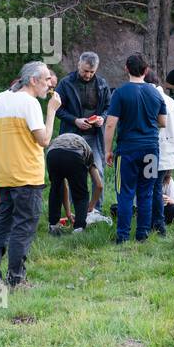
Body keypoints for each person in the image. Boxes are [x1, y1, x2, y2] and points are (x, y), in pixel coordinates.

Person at [0, 62, 60, 291]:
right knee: (23, 227)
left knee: (2, 224)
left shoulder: (1, 98)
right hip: (26, 174)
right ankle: (16, 279)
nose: (49, 85)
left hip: (3, 172)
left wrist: (10, 134)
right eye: (46, 80)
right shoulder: (31, 103)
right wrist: (52, 111)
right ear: (33, 80)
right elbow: (44, 140)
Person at [103, 54, 166, 244]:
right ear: (146, 70)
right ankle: (142, 234)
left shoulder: (120, 93)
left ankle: (122, 236)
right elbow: (162, 122)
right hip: (151, 149)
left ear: (126, 68)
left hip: (128, 150)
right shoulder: (156, 93)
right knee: (146, 192)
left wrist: (107, 150)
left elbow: (110, 125)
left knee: (125, 192)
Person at [53, 52, 112, 223]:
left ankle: (96, 210)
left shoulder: (102, 84)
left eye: (91, 72)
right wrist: (75, 120)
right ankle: (75, 211)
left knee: (98, 171)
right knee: (74, 174)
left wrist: (103, 117)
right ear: (79, 65)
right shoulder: (65, 83)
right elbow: (57, 109)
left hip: (94, 137)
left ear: (96, 69)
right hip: (72, 136)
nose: (88, 75)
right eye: (85, 71)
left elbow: (109, 107)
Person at [145, 69, 174, 236]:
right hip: (169, 152)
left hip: (153, 152)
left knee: (152, 187)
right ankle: (156, 223)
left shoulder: (151, 99)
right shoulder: (170, 100)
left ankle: (157, 224)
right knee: (156, 186)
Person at [46, 132, 104, 234]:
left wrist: (68, 213)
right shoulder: (88, 152)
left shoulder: (62, 141)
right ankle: (79, 228)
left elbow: (64, 188)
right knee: (81, 194)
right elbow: (99, 185)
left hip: (52, 154)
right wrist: (90, 207)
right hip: (74, 155)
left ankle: (53, 226)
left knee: (56, 190)